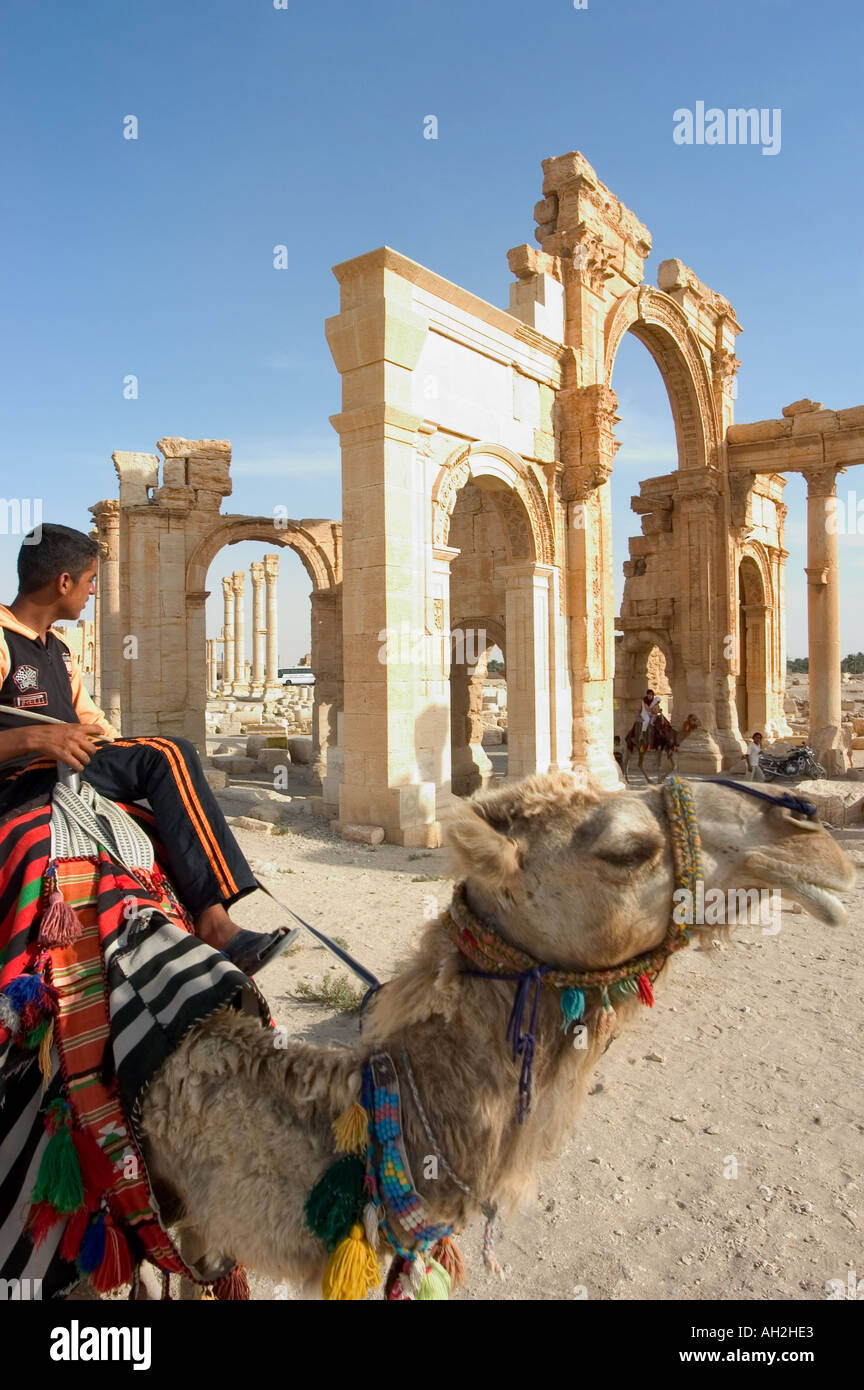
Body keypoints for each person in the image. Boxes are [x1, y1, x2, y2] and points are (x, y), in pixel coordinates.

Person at [0, 524, 296, 975]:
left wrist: (106, 742)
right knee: (168, 753)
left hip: (65, 772)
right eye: (90, 581)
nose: (94, 592)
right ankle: (216, 923)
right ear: (63, 582)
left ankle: (203, 921)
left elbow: (93, 723)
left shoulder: (60, 651)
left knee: (162, 776)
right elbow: (47, 736)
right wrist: (35, 737)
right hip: (19, 782)